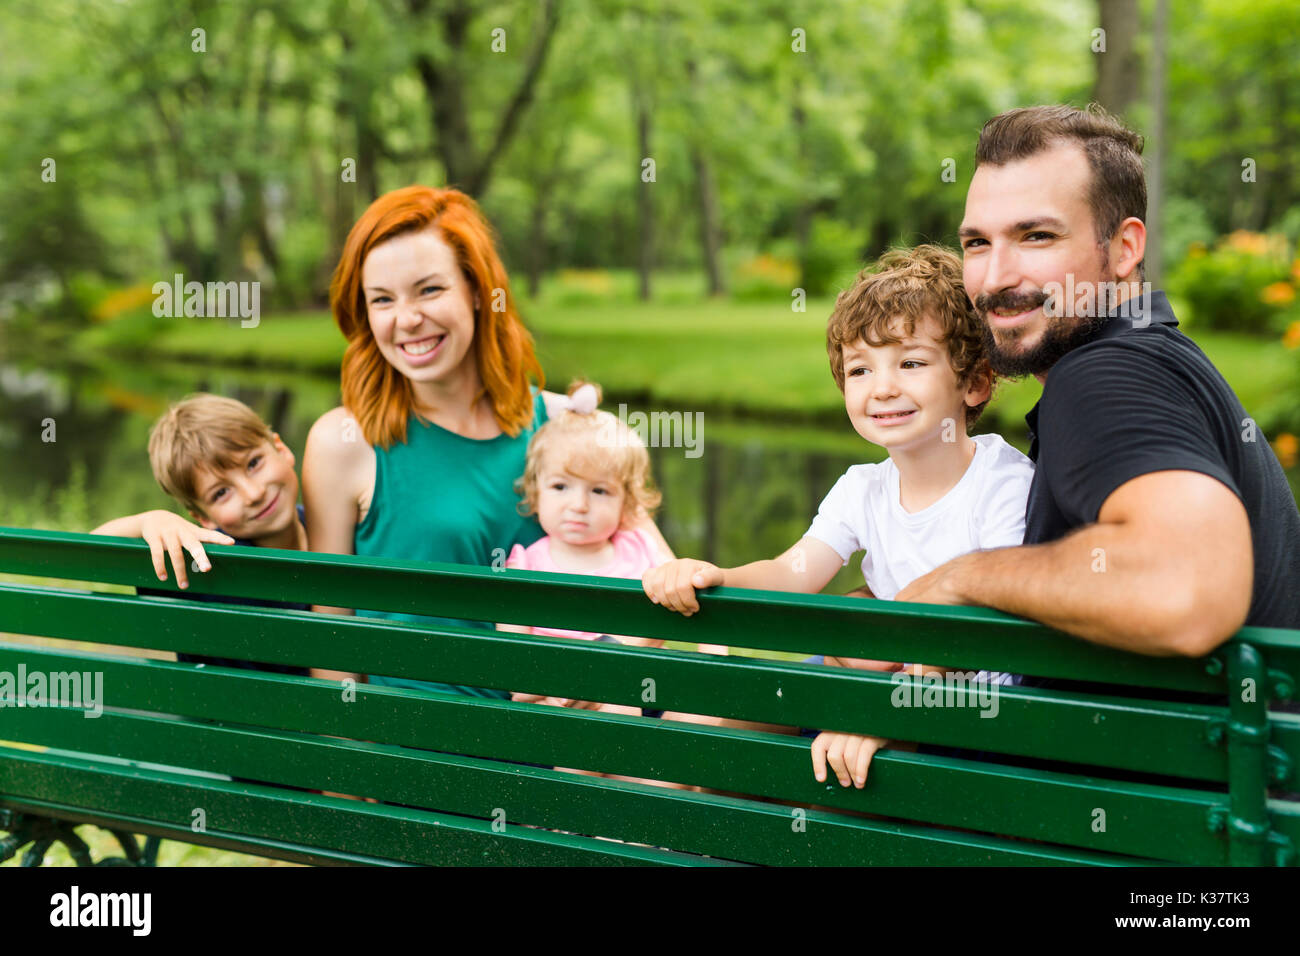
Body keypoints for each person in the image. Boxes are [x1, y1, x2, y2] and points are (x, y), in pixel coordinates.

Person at [898, 104, 1300, 656]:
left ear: (1125, 248)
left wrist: (962, 578)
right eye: (977, 243)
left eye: (1036, 236)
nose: (994, 278)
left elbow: (1187, 591)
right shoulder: (1154, 357)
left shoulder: (1103, 375)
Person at [642, 244, 1035, 789]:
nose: (882, 387)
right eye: (859, 369)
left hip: (967, 709)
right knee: (696, 727)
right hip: (875, 685)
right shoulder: (863, 488)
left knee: (834, 771)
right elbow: (791, 575)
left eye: (911, 363)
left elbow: (994, 625)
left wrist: (877, 715)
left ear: (974, 382)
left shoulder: (1001, 484)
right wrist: (716, 576)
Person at [303, 186, 672, 696]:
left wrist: (602, 672)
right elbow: (332, 642)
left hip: (573, 750)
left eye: (429, 290)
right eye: (382, 300)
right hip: (422, 755)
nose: (407, 319)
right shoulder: (345, 442)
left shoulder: (565, 425)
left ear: (477, 291)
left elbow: (667, 584)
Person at [91, 392, 310, 676]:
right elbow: (86, 558)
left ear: (281, 450)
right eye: (221, 493)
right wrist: (146, 521)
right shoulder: (203, 564)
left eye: (253, 463)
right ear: (203, 518)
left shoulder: (342, 529)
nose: (254, 494)